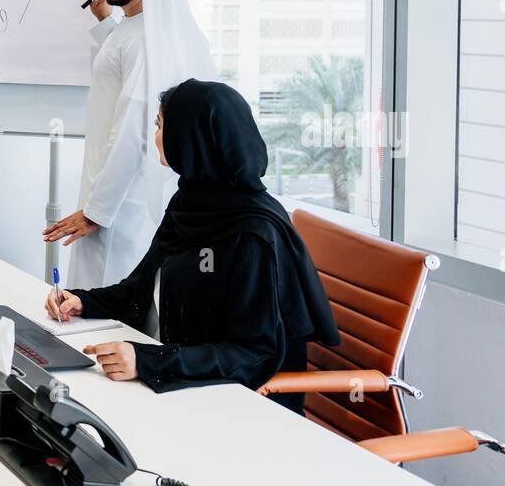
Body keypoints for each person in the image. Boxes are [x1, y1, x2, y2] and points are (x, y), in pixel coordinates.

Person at [46, 79, 340, 412]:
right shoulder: (190, 202)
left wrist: (146, 361)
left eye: (160, 126)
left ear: (190, 139)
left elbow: (251, 353)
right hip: (184, 385)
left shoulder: (253, 234)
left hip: (240, 406)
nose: (156, 136)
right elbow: (141, 288)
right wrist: (81, 301)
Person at [43, 0, 214, 289]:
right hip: (106, 191)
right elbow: (119, 58)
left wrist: (97, 211)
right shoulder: (135, 30)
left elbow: (134, 129)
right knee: (91, 298)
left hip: (119, 203)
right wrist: (105, 21)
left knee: (106, 301)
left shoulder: (146, 39)